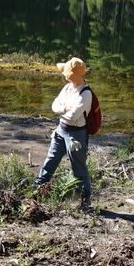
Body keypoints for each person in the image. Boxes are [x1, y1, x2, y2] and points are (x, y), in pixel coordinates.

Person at [34, 57, 94, 212]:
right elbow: (55, 105)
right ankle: (37, 190)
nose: (64, 75)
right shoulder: (67, 88)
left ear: (71, 75)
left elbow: (73, 116)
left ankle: (85, 200)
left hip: (76, 135)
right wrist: (64, 108)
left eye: (66, 73)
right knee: (50, 161)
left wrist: (63, 109)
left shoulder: (86, 94)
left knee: (79, 169)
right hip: (61, 130)